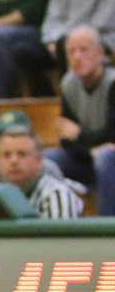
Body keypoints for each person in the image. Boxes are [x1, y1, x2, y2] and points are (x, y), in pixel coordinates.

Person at [48, 25, 115, 213]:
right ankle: (56, 221)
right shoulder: (69, 84)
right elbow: (66, 139)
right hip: (88, 157)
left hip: (109, 161)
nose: (77, 57)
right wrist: (92, 148)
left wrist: (81, 135)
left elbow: (112, 135)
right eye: (71, 52)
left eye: (84, 50)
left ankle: (107, 228)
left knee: (105, 158)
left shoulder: (112, 83)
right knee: (48, 159)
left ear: (101, 54)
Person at [0, 126, 85, 217]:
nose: (13, 161)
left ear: (39, 160)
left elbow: (59, 231)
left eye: (22, 154)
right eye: (6, 155)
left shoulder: (57, 195)